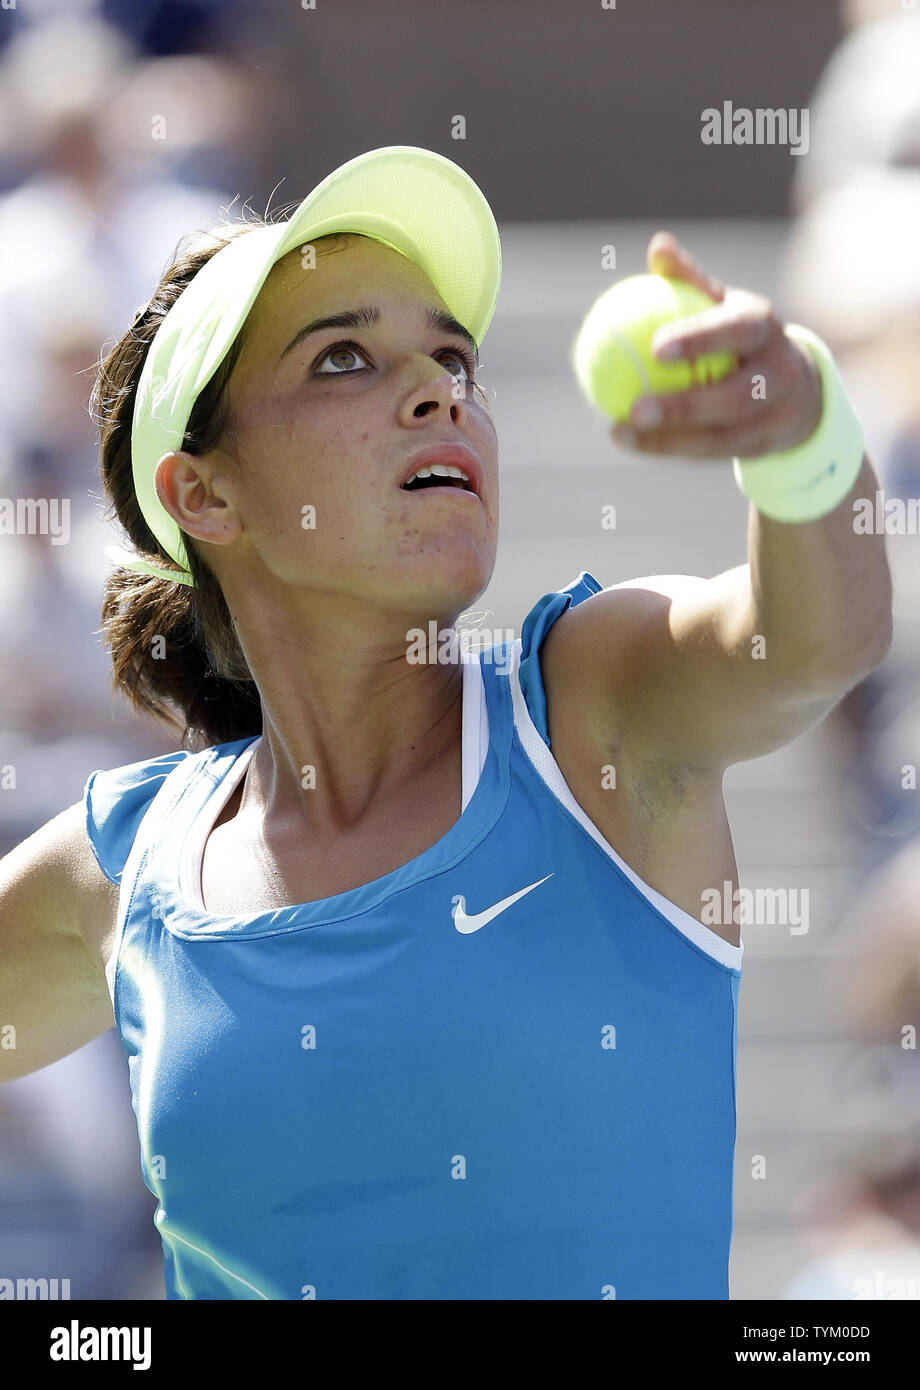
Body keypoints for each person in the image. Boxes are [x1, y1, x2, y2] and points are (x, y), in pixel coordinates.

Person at [0, 145, 893, 1300]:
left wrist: (797, 423)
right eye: (344, 358)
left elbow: (815, 635)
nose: (438, 391)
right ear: (203, 493)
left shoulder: (589, 712)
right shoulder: (117, 869)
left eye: (450, 357)